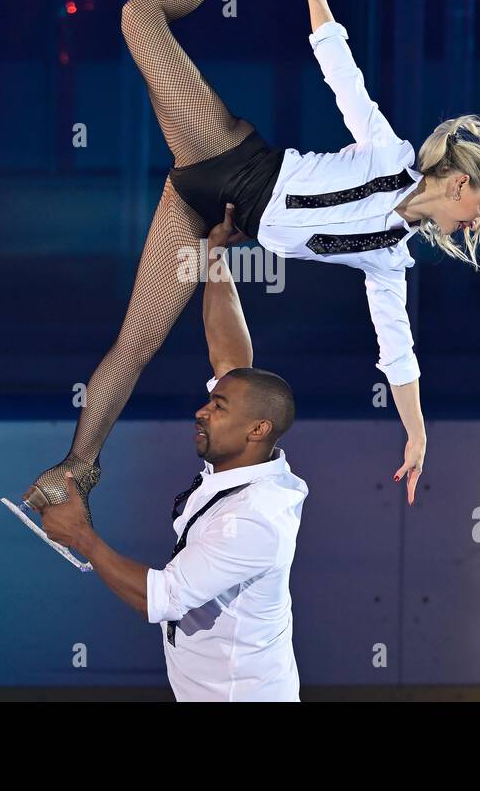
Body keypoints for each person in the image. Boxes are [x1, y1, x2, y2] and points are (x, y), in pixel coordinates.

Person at [23, 0, 480, 523]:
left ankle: (75, 474)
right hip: (229, 159)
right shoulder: (387, 152)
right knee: (138, 17)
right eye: (478, 206)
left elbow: (398, 354)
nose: (477, 223)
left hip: (211, 212)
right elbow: (340, 69)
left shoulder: (388, 261)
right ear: (456, 185)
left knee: (136, 342)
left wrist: (417, 433)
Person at [39, 205, 308, 701]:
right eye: (210, 401)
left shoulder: (252, 519)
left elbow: (160, 598)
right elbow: (230, 357)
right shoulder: (247, 459)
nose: (202, 411)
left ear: (257, 429)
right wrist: (216, 257)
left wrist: (81, 536)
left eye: (217, 406)